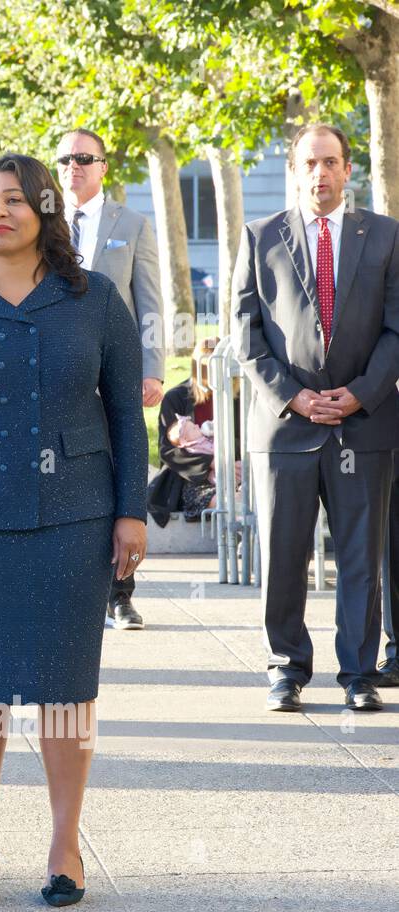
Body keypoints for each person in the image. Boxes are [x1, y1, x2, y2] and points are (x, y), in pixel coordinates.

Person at [0, 153, 147, 908]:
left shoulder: (96, 300)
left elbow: (124, 422)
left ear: (43, 209)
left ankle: (64, 844)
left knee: (66, 692)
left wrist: (131, 511)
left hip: (76, 515)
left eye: (12, 200)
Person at [235, 123, 399, 714]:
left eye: (330, 162)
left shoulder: (384, 236)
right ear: (294, 169)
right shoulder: (260, 237)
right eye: (309, 163)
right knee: (283, 554)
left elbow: (396, 330)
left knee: (361, 554)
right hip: (285, 427)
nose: (320, 174)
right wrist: (292, 397)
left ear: (348, 170)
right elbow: (245, 335)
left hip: (366, 424)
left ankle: (358, 674)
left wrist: (359, 393)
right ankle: (286, 669)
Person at [56, 128, 164, 630]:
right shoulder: (41, 222)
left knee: (122, 473)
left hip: (115, 369)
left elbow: (149, 302)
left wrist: (154, 368)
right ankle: (70, 586)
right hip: (57, 372)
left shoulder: (134, 224)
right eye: (64, 159)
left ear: (103, 166)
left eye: (84, 158)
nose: (73, 166)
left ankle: (120, 594)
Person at [146, 336, 237, 527]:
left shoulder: (239, 397)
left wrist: (236, 464)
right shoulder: (176, 398)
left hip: (238, 473)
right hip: (193, 480)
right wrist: (211, 463)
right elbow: (168, 451)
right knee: (230, 502)